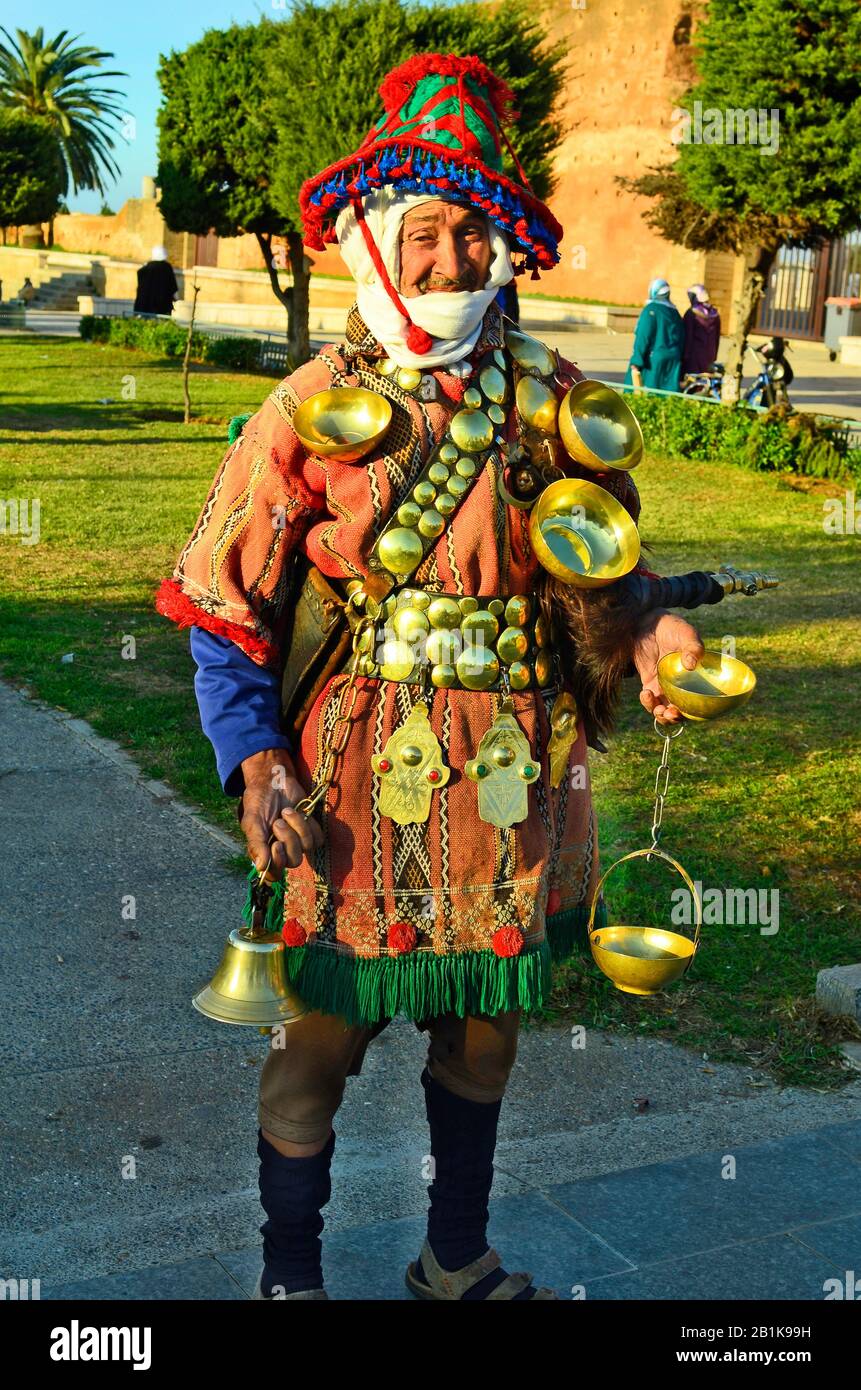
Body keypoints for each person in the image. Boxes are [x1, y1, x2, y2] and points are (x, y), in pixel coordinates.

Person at [155, 52, 703, 1302]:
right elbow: (224, 605)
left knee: (485, 1033)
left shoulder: (556, 402)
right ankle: (291, 1278)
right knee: (314, 1046)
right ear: (378, 238)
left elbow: (604, 570)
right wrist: (253, 757)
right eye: (426, 231)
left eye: (472, 233)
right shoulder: (304, 408)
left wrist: (649, 630)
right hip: (353, 775)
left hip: (512, 770)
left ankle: (454, 1256)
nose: (451, 261)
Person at [624, 277, 685, 393]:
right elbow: (682, 339)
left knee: (644, 397)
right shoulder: (675, 312)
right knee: (666, 399)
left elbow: (643, 337)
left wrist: (637, 360)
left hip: (653, 362)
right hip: (673, 361)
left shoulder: (651, 310)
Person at [682, 283, 721, 377]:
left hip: (693, 356)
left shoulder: (691, 313)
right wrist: (714, 355)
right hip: (709, 355)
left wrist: (684, 355)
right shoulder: (715, 314)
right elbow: (717, 337)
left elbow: (688, 336)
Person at [133, 244, 178, 316]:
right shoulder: (167, 268)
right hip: (163, 306)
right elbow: (172, 287)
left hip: (145, 305)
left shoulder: (144, 269)